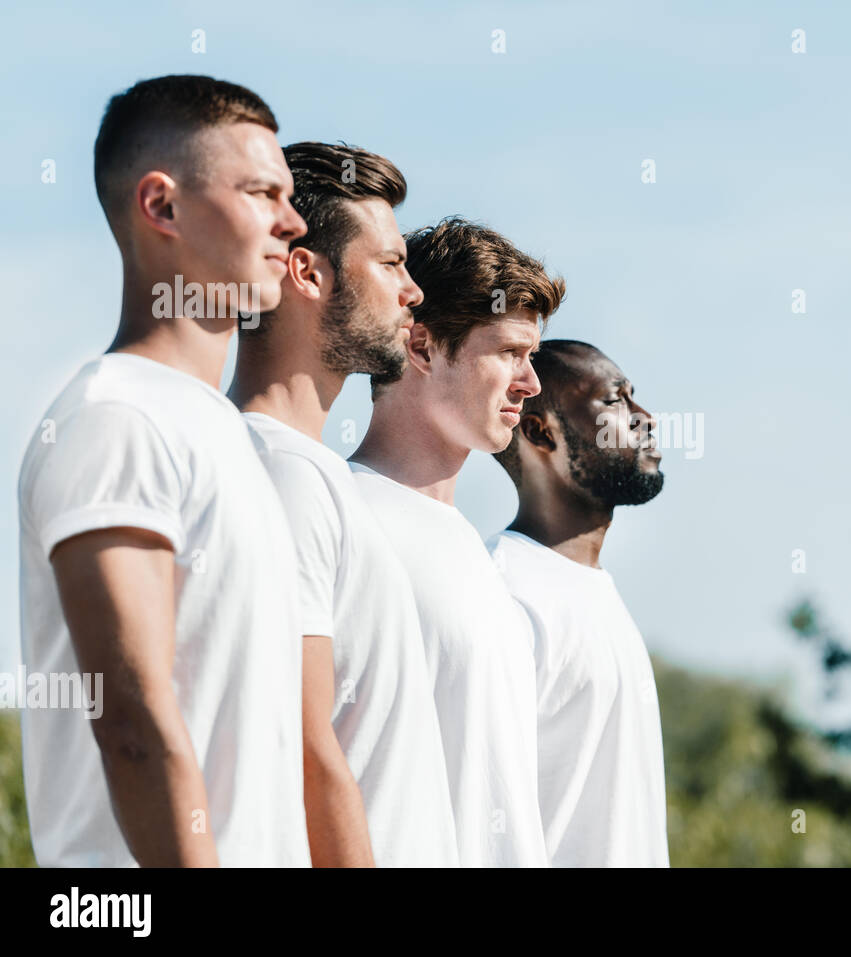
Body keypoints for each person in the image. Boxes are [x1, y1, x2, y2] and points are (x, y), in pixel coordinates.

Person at [17, 75, 311, 866]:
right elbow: (133, 724)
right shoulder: (117, 418)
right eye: (262, 193)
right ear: (163, 206)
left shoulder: (217, 431)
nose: (294, 222)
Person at [228, 142, 458, 867]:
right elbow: (300, 748)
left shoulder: (305, 471)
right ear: (306, 271)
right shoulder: (280, 474)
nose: (413, 291)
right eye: (391, 264)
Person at [348, 217, 564, 866]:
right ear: (420, 346)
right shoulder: (345, 519)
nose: (531, 384)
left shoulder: (475, 552)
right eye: (508, 352)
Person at [487, 340, 670, 867]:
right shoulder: (503, 589)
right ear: (540, 431)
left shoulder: (596, 591)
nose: (645, 417)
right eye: (615, 400)